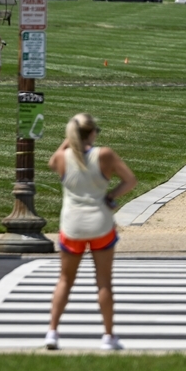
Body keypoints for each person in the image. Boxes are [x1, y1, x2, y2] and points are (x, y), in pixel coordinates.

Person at [45, 113, 137, 351]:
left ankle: (52, 331)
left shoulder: (62, 158)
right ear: (93, 132)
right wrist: (111, 196)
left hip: (72, 224)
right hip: (100, 222)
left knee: (65, 280)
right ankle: (108, 335)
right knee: (104, 281)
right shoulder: (104, 155)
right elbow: (130, 181)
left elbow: (52, 161)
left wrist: (68, 139)